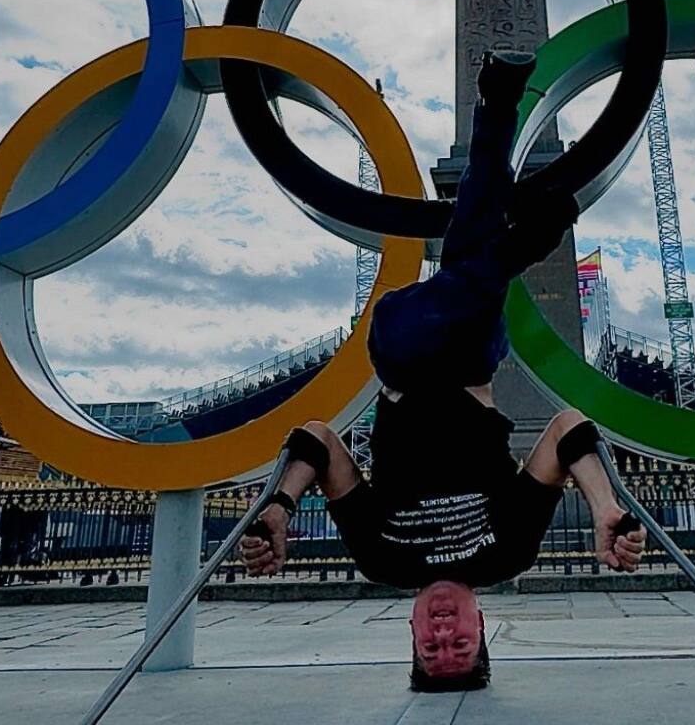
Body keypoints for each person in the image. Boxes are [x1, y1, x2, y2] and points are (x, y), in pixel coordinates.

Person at [240, 49, 646, 691]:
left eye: (432, 649)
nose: (443, 633)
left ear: (409, 636)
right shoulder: (509, 551)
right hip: (470, 356)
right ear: (485, 628)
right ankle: (501, 122)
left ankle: (522, 236)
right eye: (460, 645)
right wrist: (604, 508)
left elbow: (318, 438)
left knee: (472, 263)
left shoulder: (380, 558)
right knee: (469, 250)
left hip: (401, 353)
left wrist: (281, 506)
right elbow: (568, 428)